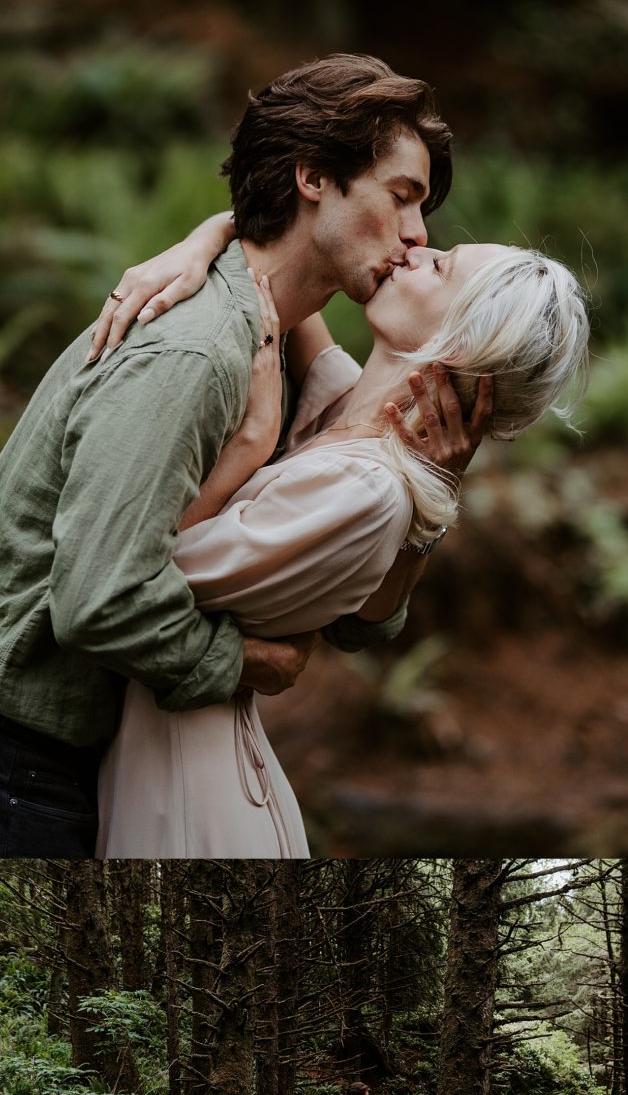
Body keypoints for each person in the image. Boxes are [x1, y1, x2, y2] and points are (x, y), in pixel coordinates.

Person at [0, 53, 478, 858]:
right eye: (401, 196)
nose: (418, 234)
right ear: (314, 178)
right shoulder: (195, 353)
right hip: (23, 762)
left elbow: (361, 619)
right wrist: (238, 660)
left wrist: (434, 483)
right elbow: (96, 600)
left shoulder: (288, 344)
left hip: (74, 760)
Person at [95, 237, 589, 857]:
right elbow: (287, 259)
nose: (416, 248)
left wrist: (252, 441)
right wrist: (207, 239)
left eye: (441, 267)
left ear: (461, 341)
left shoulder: (364, 487)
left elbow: (131, 573)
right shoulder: (353, 412)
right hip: (162, 754)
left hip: (188, 797)